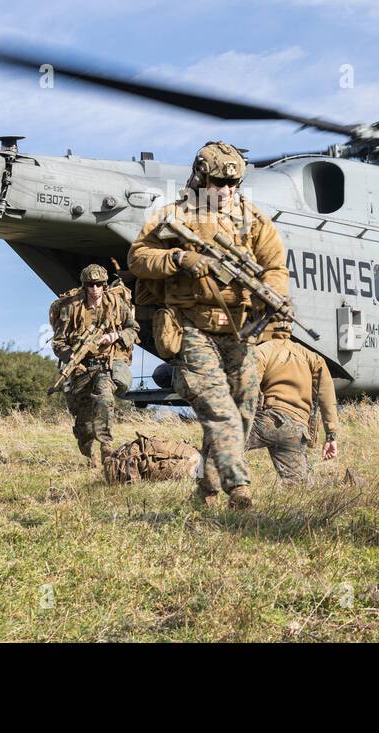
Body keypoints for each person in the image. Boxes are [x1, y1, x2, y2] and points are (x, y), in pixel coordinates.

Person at [128, 141, 288, 510]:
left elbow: (276, 267)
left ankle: (207, 488)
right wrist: (179, 257)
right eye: (219, 183)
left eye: (233, 184)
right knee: (220, 411)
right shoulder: (174, 215)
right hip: (192, 327)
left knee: (245, 407)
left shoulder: (254, 221)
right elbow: (138, 257)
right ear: (201, 177)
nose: (226, 190)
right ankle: (239, 488)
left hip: (238, 330)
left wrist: (275, 296)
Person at [48, 263, 138, 468]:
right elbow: (58, 342)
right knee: (84, 422)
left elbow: (133, 329)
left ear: (104, 285)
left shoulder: (115, 303)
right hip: (80, 367)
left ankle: (106, 445)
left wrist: (115, 336)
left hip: (106, 363)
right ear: (84, 286)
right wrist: (72, 355)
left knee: (104, 398)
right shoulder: (71, 308)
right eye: (90, 285)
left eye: (99, 284)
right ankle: (89, 453)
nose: (95, 289)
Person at [249, 321, 339, 484]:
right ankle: (336, 490)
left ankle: (198, 481)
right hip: (296, 429)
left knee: (218, 446)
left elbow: (248, 388)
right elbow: (327, 397)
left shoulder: (261, 351)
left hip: (267, 419)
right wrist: (331, 436)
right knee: (298, 486)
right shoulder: (313, 358)